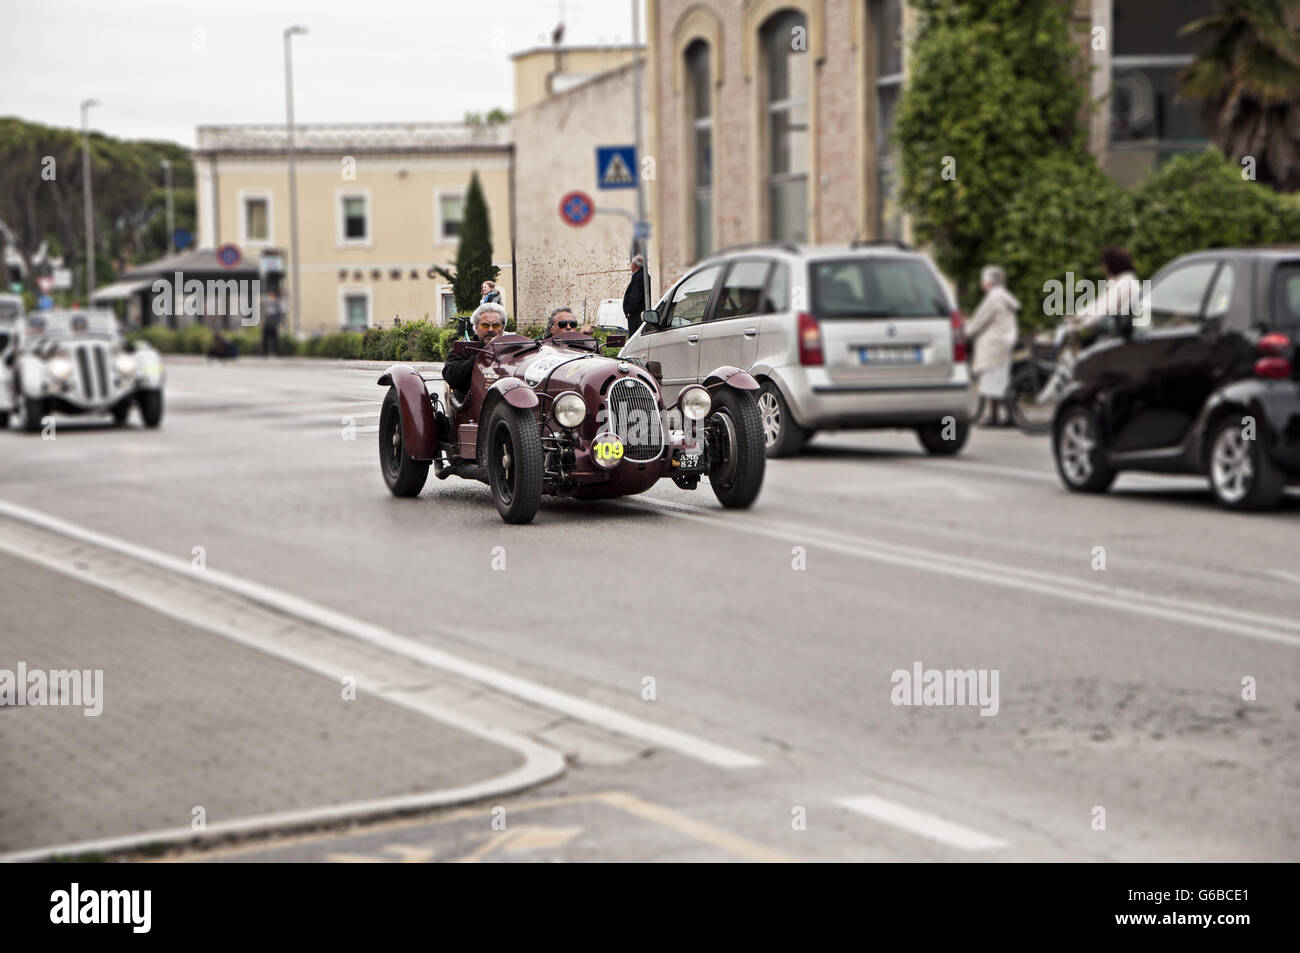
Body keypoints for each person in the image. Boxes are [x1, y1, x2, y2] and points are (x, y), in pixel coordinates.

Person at [966, 265, 1020, 427]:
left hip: (993, 346)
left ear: (988, 282)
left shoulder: (993, 299)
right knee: (1000, 383)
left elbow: (979, 320)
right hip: (1003, 344)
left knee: (993, 383)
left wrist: (965, 332)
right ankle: (1005, 416)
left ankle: (995, 417)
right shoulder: (1003, 296)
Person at [443, 302, 506, 398]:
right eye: (485, 325)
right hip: (472, 405)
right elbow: (451, 376)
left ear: (502, 328)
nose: (490, 329)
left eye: (496, 325)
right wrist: (483, 354)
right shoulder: (464, 349)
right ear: (476, 328)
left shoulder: (512, 349)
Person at [622, 254, 649, 336]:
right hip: (636, 315)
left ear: (635, 266)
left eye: (631, 264)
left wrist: (629, 311)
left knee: (634, 337)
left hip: (636, 317)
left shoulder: (639, 278)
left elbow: (635, 297)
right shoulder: (641, 276)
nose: (631, 266)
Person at [261, 289, 283, 357]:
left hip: (274, 324)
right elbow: (263, 313)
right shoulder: (266, 304)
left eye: (272, 295)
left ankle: (275, 352)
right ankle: (265, 352)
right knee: (265, 338)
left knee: (275, 339)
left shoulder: (277, 304)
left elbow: (279, 314)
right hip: (267, 324)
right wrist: (262, 322)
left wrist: (278, 323)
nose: (271, 297)